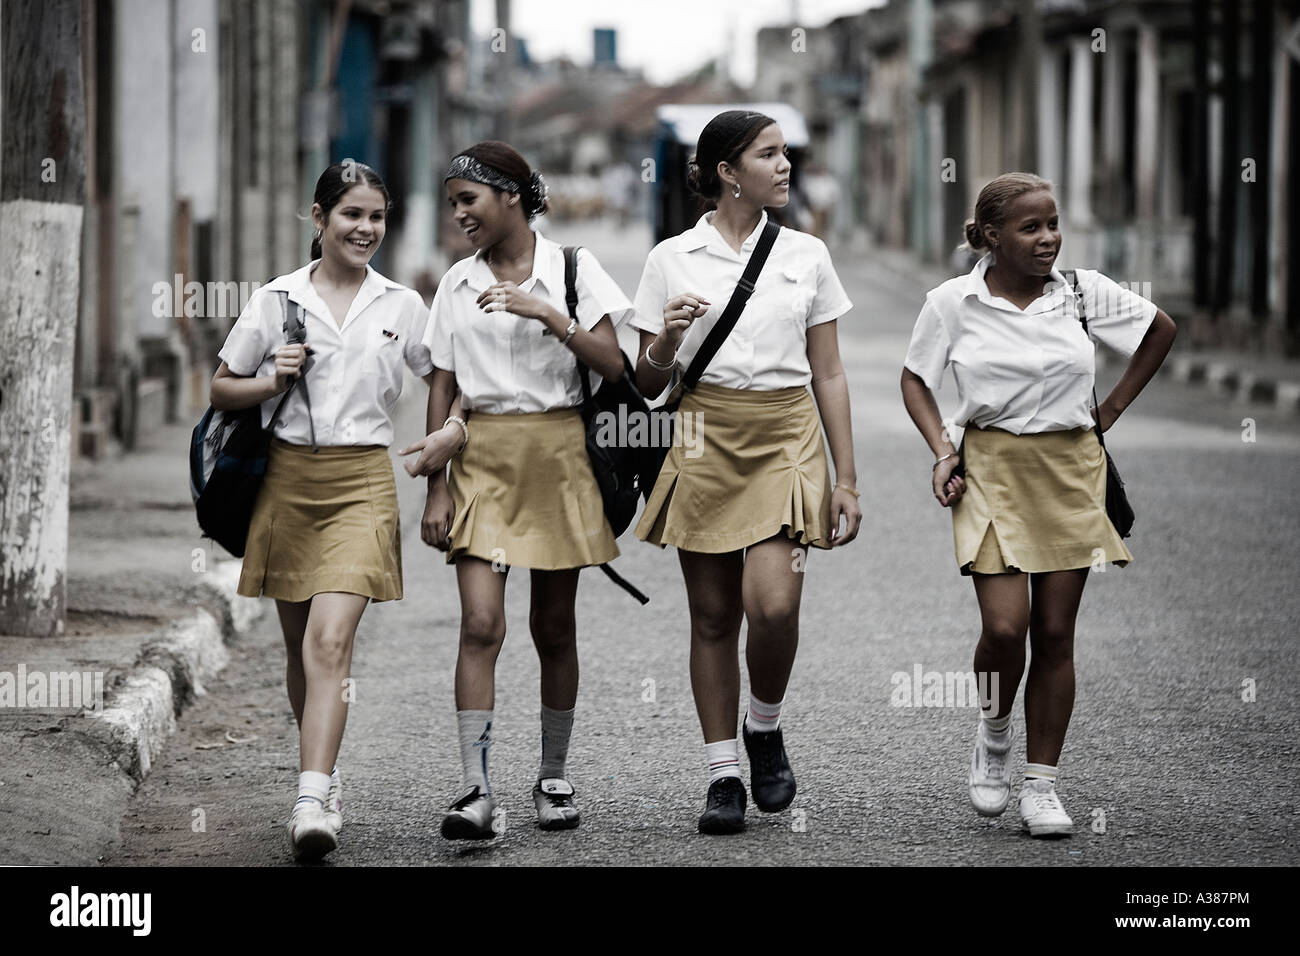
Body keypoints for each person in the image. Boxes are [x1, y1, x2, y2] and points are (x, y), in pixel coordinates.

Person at [899, 172, 1177, 838]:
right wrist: (942, 448)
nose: (1049, 238)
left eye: (1053, 224)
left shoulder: (1083, 293)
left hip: (1070, 468)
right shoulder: (952, 302)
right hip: (989, 468)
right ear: (991, 237)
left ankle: (1042, 786)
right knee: (1005, 627)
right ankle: (994, 730)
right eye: (1031, 227)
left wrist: (1108, 410)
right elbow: (915, 378)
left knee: (1055, 633)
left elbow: (1159, 330)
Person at [210, 161, 459, 860]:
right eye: (351, 214)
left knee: (329, 644)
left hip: (362, 485)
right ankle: (324, 772)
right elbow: (221, 388)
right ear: (318, 218)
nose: (366, 229)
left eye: (376, 216)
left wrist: (443, 454)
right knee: (300, 651)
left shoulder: (402, 304)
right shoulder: (277, 300)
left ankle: (311, 799)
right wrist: (271, 378)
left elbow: (443, 375)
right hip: (287, 483)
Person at [630, 110, 862, 834]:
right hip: (704, 434)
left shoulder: (806, 254)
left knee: (774, 606)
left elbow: (828, 371)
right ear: (728, 173)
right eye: (768, 155)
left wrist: (846, 478)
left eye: (785, 152)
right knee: (711, 616)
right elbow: (647, 384)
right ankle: (723, 772)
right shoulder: (672, 257)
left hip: (787, 434)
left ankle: (764, 724)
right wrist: (667, 332)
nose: (786, 164)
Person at [405, 141, 636, 840]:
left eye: (468, 200)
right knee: (481, 623)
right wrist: (435, 489)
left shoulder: (574, 267)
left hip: (559, 453)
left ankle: (554, 776)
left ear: (511, 196)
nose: (458, 215)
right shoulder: (454, 284)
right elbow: (442, 382)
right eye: (451, 203)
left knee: (554, 626)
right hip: (480, 457)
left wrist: (545, 313)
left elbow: (614, 363)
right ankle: (475, 789)